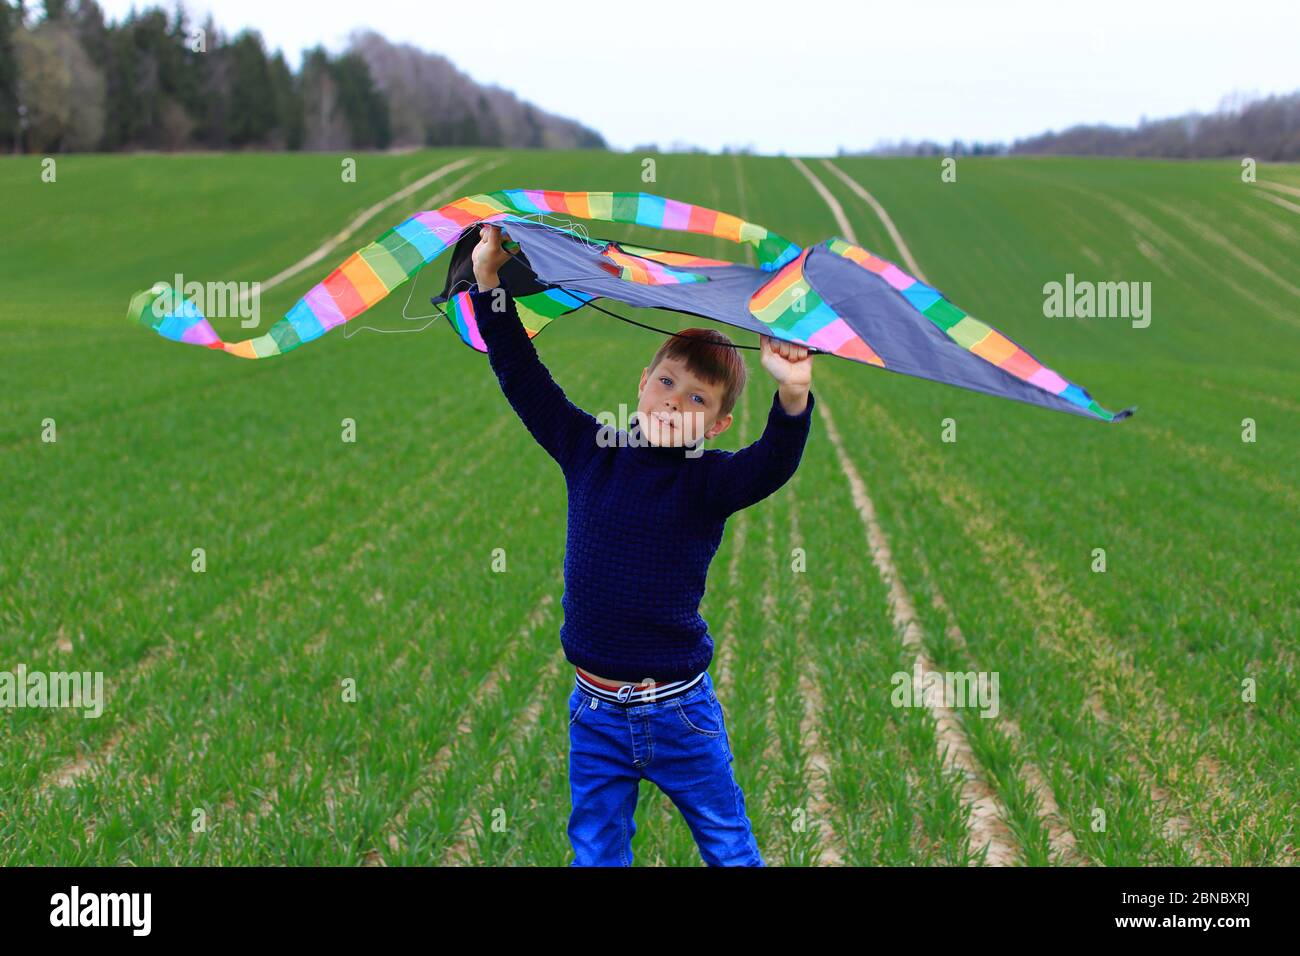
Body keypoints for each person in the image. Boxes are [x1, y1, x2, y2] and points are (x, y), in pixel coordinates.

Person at [469, 223, 815, 866]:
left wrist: (792, 392)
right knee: (596, 852)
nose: (673, 403)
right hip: (595, 712)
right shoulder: (587, 451)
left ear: (716, 424)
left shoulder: (708, 483)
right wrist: (489, 282)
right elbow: (523, 376)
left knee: (728, 844)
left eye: (695, 399)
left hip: (680, 712)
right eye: (666, 383)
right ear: (642, 380)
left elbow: (772, 462)